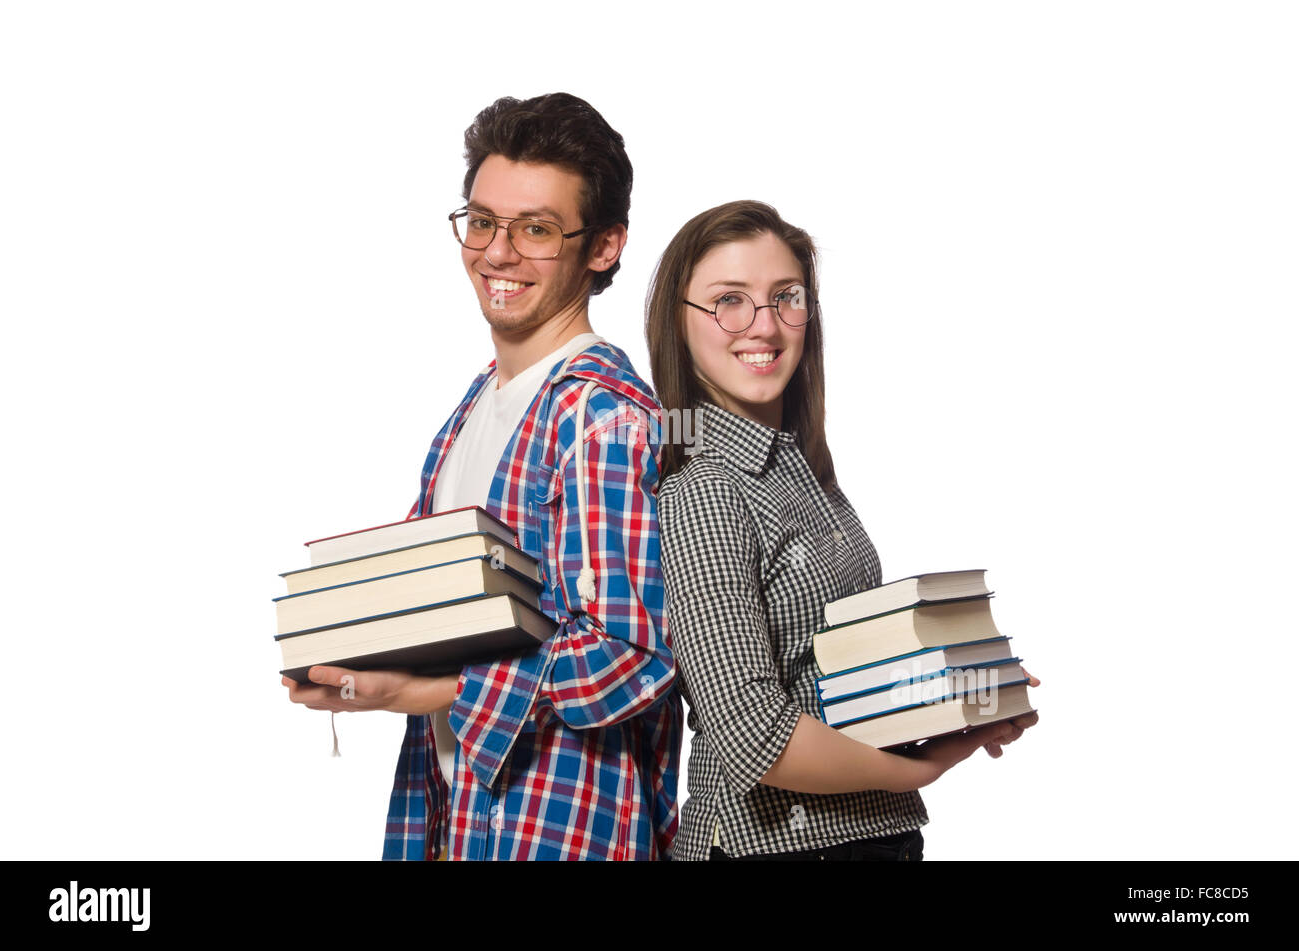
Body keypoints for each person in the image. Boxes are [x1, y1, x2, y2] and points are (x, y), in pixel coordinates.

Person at [283, 93, 682, 861]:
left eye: (536, 228)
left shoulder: (599, 416)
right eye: (482, 221)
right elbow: (434, 611)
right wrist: (340, 647)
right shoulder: (475, 409)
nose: (498, 253)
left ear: (603, 246)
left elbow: (631, 655)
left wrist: (421, 693)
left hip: (559, 832)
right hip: (452, 822)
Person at [645, 200, 1039, 861]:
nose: (763, 325)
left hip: (867, 838)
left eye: (785, 297)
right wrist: (921, 771)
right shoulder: (706, 491)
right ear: (679, 326)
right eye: (729, 300)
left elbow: (844, 681)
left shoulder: (809, 476)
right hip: (774, 846)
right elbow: (753, 736)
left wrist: (969, 695)